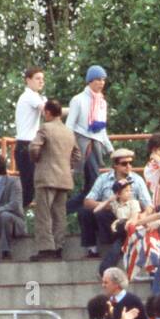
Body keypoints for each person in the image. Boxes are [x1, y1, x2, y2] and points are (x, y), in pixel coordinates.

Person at [29, 99, 78, 260]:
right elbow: (77, 155)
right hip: (64, 178)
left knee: (44, 214)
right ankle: (58, 246)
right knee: (60, 214)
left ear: (48, 112)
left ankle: (46, 248)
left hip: (46, 177)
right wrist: (68, 167)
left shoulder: (45, 128)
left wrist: (37, 160)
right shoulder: (68, 131)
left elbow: (34, 147)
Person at [66, 66, 115, 219]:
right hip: (82, 144)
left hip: (97, 145)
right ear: (90, 81)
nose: (102, 83)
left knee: (90, 186)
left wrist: (111, 150)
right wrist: (70, 149)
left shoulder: (102, 102)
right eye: (99, 79)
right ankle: (74, 210)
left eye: (103, 80)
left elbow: (102, 130)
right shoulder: (78, 99)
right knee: (95, 181)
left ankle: (68, 210)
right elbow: (69, 126)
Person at [13, 67, 46, 209]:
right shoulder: (29, 96)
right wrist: (75, 110)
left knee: (29, 187)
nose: (41, 82)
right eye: (37, 78)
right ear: (28, 80)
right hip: (26, 145)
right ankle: (9, 214)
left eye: (42, 79)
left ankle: (13, 217)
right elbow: (49, 111)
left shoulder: (36, 96)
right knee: (28, 187)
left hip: (29, 144)